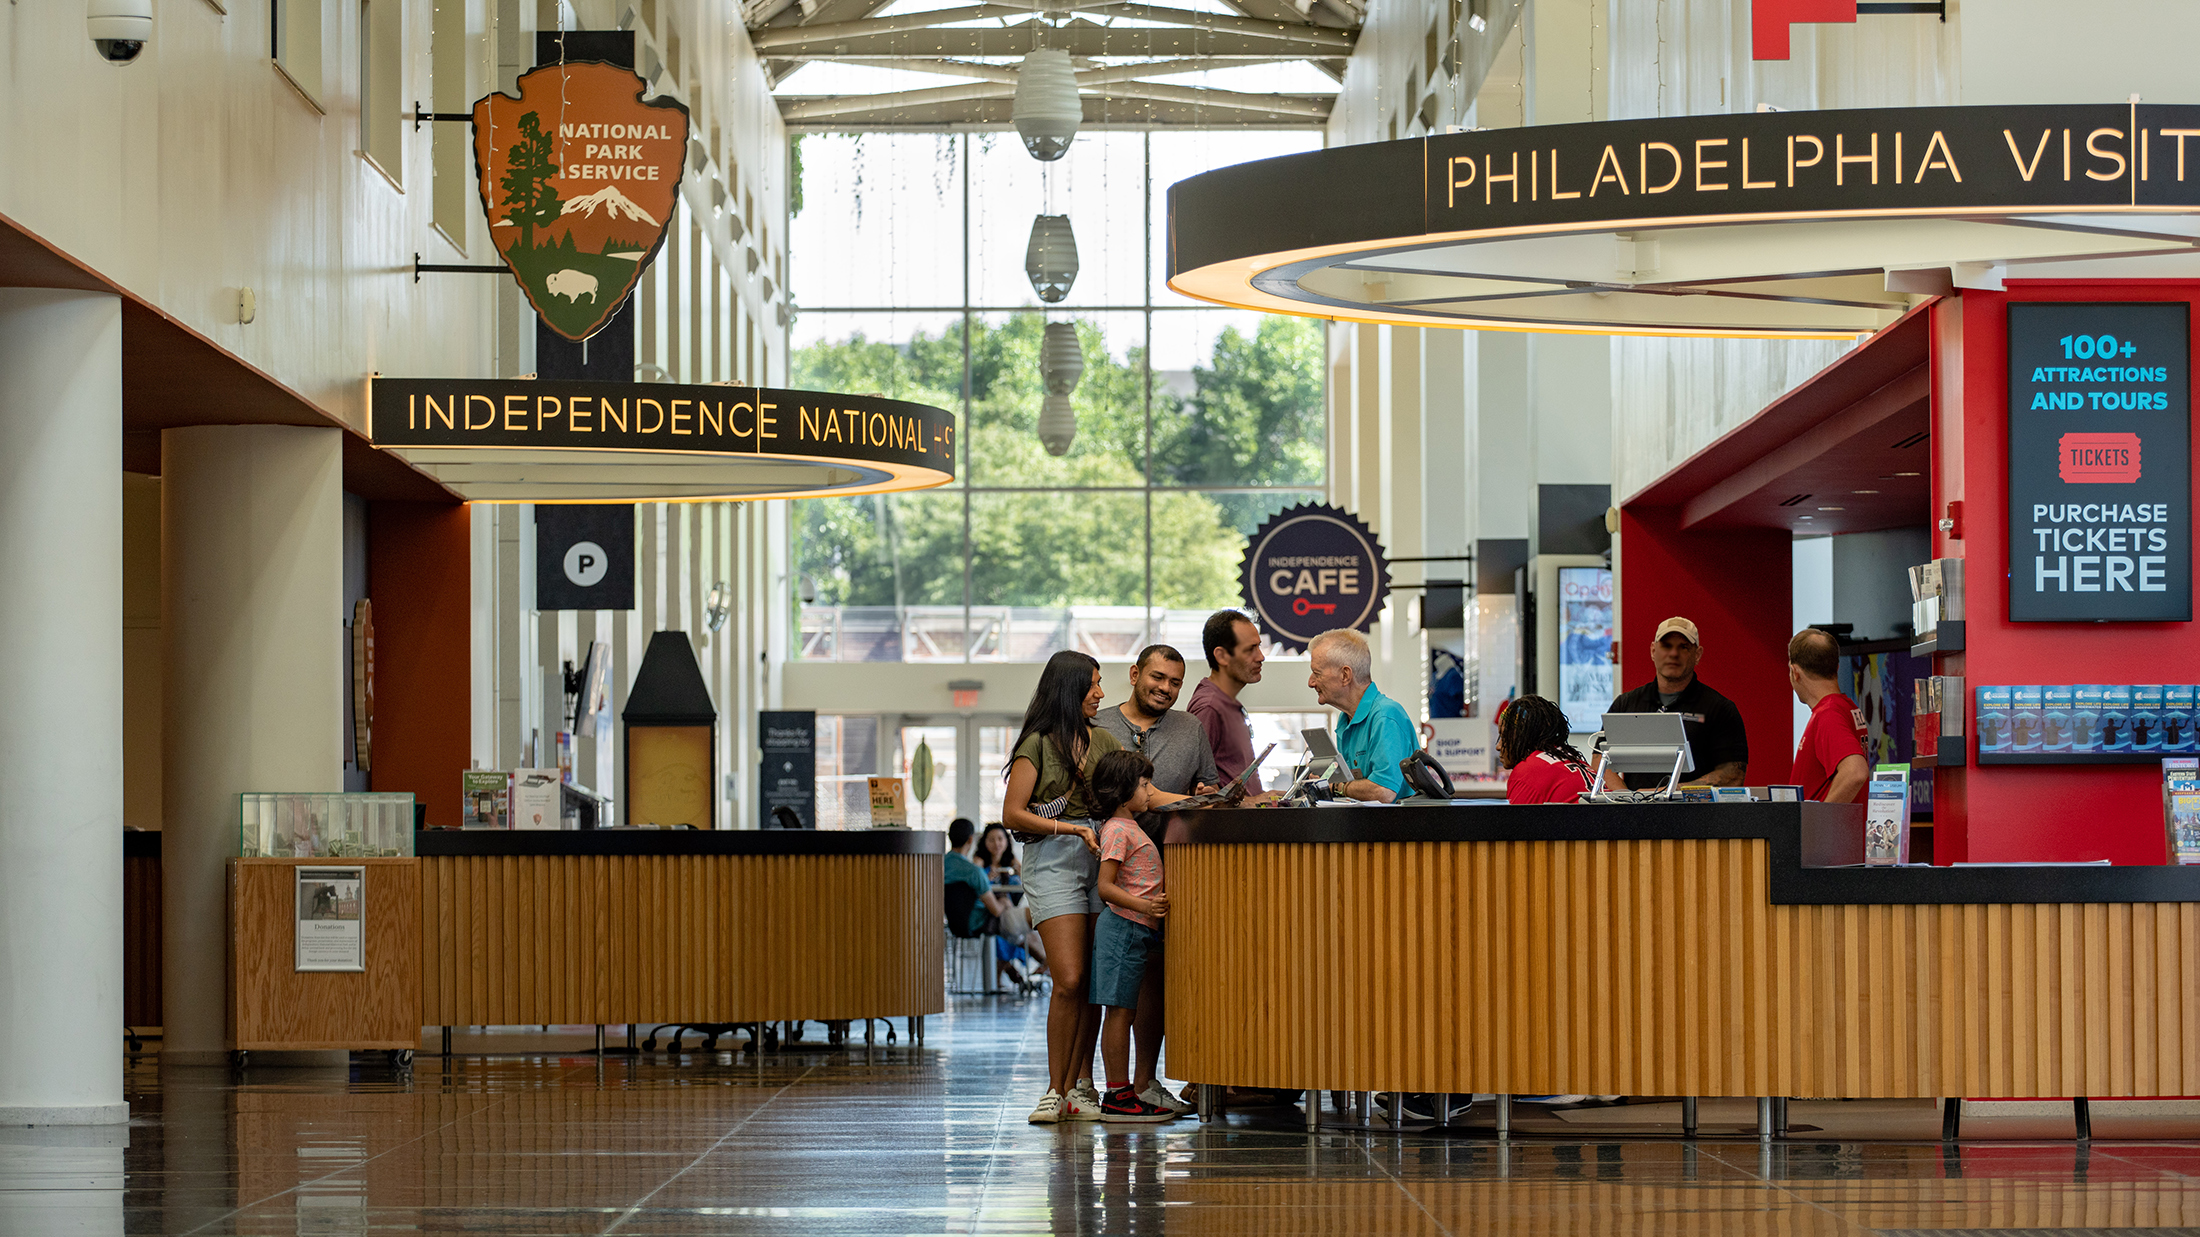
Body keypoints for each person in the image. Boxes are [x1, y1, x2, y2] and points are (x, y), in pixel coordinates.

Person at [1004, 649, 1123, 1125]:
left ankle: (1078, 1085)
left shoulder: (1105, 740)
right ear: (1069, 689)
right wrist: (1070, 830)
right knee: (1069, 978)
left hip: (1101, 857)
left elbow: (1135, 792)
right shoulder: (1036, 744)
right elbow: (1013, 814)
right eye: (1093, 684)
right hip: (1054, 858)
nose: (1100, 693)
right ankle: (1053, 1089)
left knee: (1090, 983)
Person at [1088, 749, 1186, 1122]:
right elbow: (1105, 887)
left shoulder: (1131, 827)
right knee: (1119, 1013)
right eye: (1144, 785)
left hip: (1135, 930)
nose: (1150, 791)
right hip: (1123, 928)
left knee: (1125, 1011)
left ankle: (1123, 1091)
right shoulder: (1116, 830)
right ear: (1122, 789)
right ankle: (1117, 1094)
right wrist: (1145, 907)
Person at [1606, 617, 1750, 789]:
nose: (1674, 654)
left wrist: (1666, 794)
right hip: (1636, 814)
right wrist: (1628, 799)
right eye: (1666, 645)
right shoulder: (1626, 704)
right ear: (1653, 651)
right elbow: (1600, 759)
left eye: (1683, 647)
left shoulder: (1720, 709)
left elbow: (1732, 776)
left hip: (1698, 814)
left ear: (1697, 654)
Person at [1094, 644, 1222, 809]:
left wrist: (1205, 795)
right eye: (1157, 677)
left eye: (1175, 683)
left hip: (1174, 834)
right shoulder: (1097, 725)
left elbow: (1210, 790)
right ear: (1134, 675)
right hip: (1112, 834)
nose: (1165, 688)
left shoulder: (1191, 728)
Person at [1306, 628, 1418, 802]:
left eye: (1317, 674)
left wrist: (1334, 786)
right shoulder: (1346, 721)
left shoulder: (1385, 716)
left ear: (1345, 675)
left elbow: (1383, 792)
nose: (1310, 682)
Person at [1787, 627, 1871, 803]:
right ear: (1837, 668)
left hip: (1829, 830)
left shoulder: (1829, 714)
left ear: (1795, 673)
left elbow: (1855, 772)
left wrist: (1820, 823)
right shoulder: (1844, 707)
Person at [944, 817, 1029, 987]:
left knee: (1014, 927)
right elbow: (996, 910)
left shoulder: (942, 865)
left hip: (954, 923)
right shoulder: (974, 871)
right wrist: (1005, 902)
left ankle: (1014, 970)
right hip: (979, 922)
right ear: (971, 839)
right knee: (1021, 924)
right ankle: (1044, 963)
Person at [1190, 609, 1267, 792]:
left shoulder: (1225, 703)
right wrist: (1251, 804)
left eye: (1259, 646)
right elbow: (1200, 792)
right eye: (1250, 649)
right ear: (1222, 656)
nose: (1261, 657)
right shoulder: (1209, 707)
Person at [1499, 695, 1597, 804]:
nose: (1498, 746)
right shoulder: (1574, 760)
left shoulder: (1530, 771)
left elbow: (1516, 820)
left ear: (1523, 738)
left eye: (1504, 737)